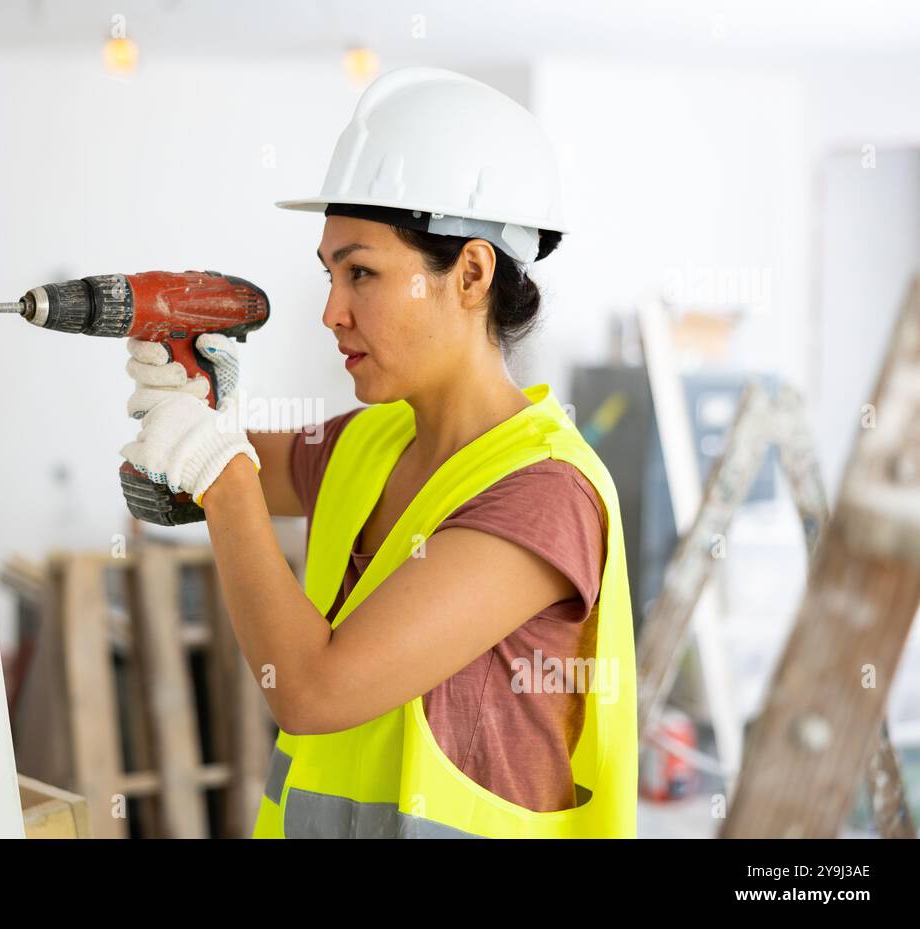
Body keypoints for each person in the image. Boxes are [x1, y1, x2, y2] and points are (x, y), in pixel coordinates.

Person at [120, 67, 637, 838]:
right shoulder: (367, 441)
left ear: (469, 273)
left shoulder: (545, 493)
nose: (331, 311)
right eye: (330, 273)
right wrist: (194, 402)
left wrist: (221, 473)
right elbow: (194, 471)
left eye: (361, 271)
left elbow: (310, 690)